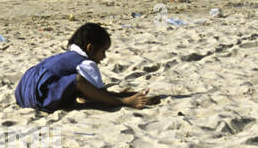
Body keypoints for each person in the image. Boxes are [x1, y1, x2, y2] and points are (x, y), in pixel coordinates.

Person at [14, 23, 158, 112]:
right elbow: (99, 95)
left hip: (23, 93)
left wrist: (120, 93)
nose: (104, 57)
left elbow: (94, 93)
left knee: (77, 84)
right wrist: (124, 99)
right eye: (103, 51)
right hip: (40, 98)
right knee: (77, 80)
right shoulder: (85, 63)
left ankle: (124, 98)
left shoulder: (66, 56)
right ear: (90, 48)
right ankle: (125, 102)